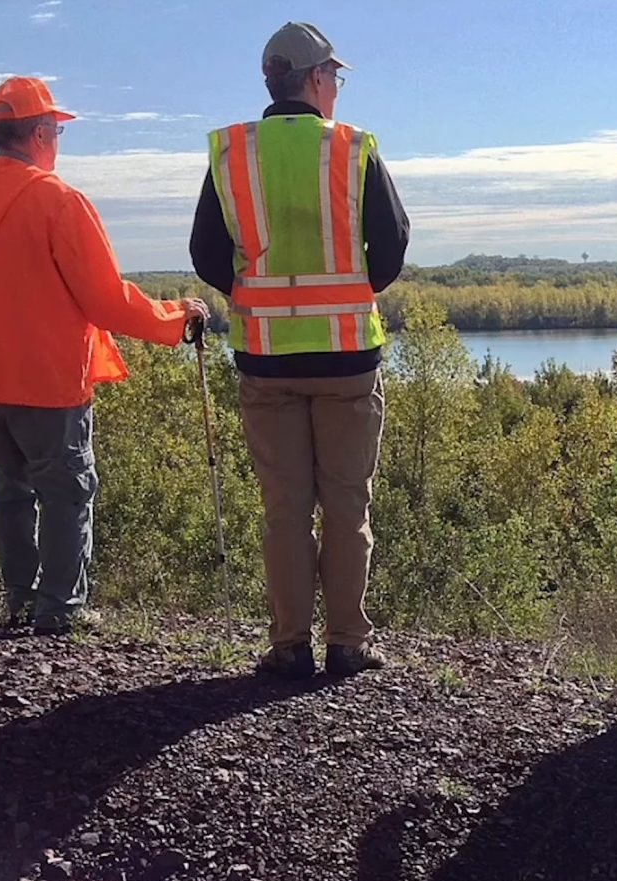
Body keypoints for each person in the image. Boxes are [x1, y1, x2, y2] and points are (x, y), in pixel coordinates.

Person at [0, 77, 207, 635]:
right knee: (67, 491)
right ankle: (60, 610)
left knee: (11, 490)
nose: (59, 140)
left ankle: (20, 599)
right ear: (41, 132)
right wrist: (176, 317)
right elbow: (107, 299)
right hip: (48, 380)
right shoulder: (57, 201)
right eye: (58, 130)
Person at [190, 21, 409, 680]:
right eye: (334, 77)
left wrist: (253, 293)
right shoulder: (350, 149)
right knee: (347, 506)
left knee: (284, 510)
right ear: (315, 80)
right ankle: (347, 643)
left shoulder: (233, 154)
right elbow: (391, 245)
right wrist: (348, 292)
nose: (337, 88)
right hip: (346, 361)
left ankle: (289, 646)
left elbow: (205, 251)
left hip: (266, 360)